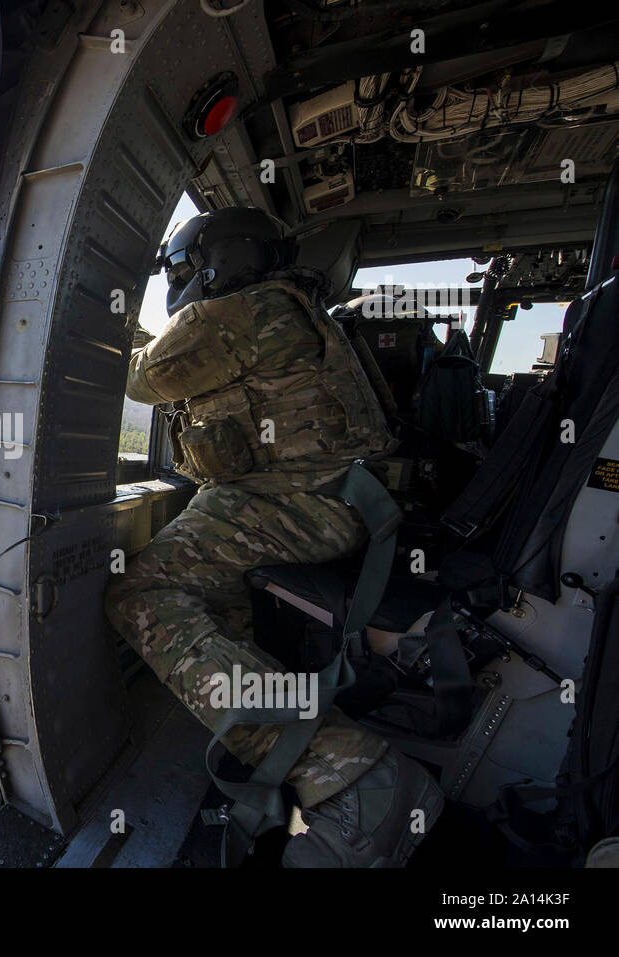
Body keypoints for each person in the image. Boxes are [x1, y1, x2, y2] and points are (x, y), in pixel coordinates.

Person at [105, 206, 444, 867]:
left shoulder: (232, 314)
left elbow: (140, 376)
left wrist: (97, 328)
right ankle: (250, 713)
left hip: (302, 504)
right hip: (344, 503)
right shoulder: (287, 307)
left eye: (179, 274)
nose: (179, 288)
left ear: (211, 266)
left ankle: (347, 770)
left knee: (140, 593)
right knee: (214, 594)